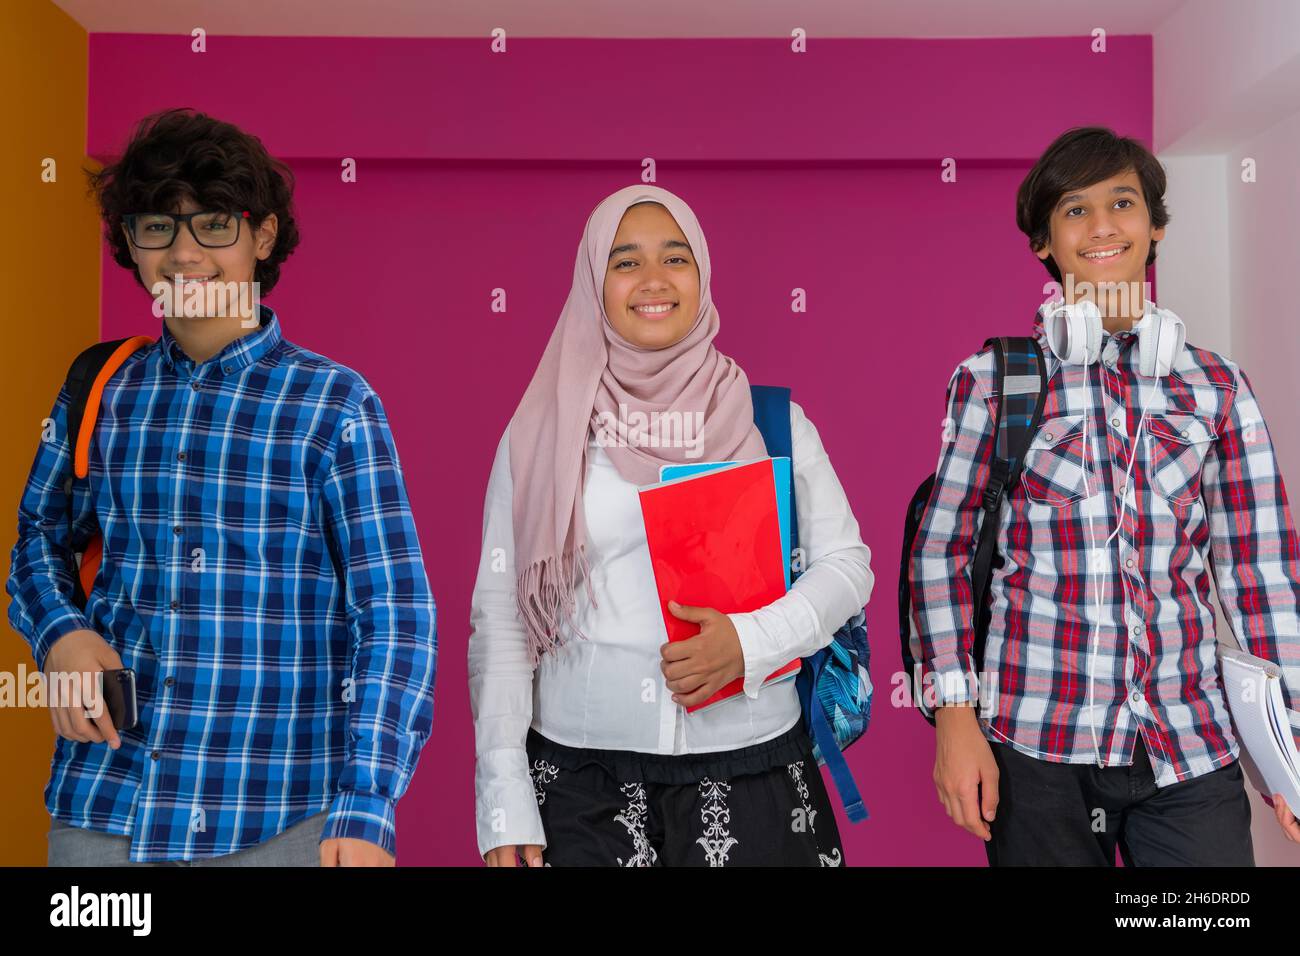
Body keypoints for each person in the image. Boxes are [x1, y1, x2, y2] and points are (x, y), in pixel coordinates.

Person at [6, 108, 437, 867]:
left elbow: (395, 614)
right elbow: (37, 541)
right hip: (106, 808)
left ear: (261, 237)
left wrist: (368, 800)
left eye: (212, 225)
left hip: (279, 818)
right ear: (129, 246)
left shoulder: (335, 406)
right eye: (156, 228)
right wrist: (61, 636)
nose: (182, 254)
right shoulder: (100, 390)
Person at [910, 125, 1300, 865]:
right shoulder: (994, 382)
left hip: (1189, 745)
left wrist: (1292, 751)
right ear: (1043, 244)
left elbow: (1261, 576)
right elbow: (942, 557)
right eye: (1074, 210)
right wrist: (954, 720)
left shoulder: (1218, 387)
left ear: (1155, 226)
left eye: (1122, 203)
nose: (1101, 226)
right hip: (1034, 746)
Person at [468, 184, 873, 866]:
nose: (654, 280)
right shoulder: (541, 433)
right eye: (625, 261)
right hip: (581, 786)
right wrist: (503, 797)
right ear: (594, 281)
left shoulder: (769, 422)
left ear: (702, 274)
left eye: (675, 257)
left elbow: (847, 566)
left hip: (755, 772)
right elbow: (502, 618)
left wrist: (750, 642)